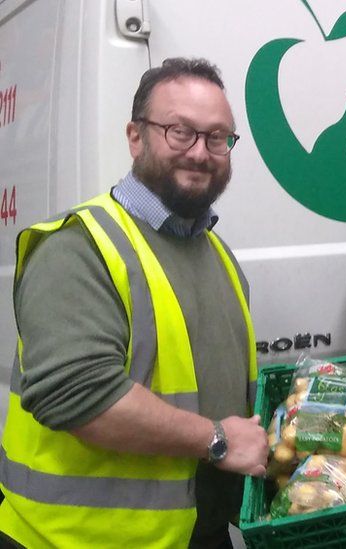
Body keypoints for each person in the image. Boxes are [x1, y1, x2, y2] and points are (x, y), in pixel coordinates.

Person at [0, 58, 268, 548]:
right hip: (75, 540)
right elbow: (77, 395)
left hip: (196, 535)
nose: (201, 152)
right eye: (179, 131)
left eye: (217, 138)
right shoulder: (79, 246)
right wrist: (218, 440)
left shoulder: (220, 258)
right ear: (135, 136)